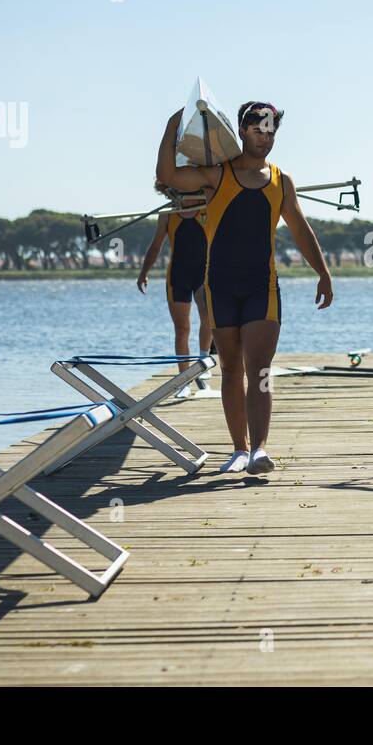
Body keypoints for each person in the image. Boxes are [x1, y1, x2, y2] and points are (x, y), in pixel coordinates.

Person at [156, 100, 333, 475]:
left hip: (262, 287)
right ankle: (239, 448)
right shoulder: (217, 175)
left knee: (261, 368)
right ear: (241, 130)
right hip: (219, 286)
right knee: (231, 368)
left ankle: (260, 450)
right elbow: (169, 175)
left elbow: (300, 229)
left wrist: (323, 272)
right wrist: (174, 124)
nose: (265, 138)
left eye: (271, 131)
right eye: (258, 130)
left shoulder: (282, 181)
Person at [137, 183, 213, 399]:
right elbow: (155, 246)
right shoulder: (168, 213)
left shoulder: (208, 207)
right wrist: (144, 272)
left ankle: (203, 362)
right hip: (178, 276)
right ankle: (184, 382)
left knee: (208, 315)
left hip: (203, 273)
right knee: (182, 330)